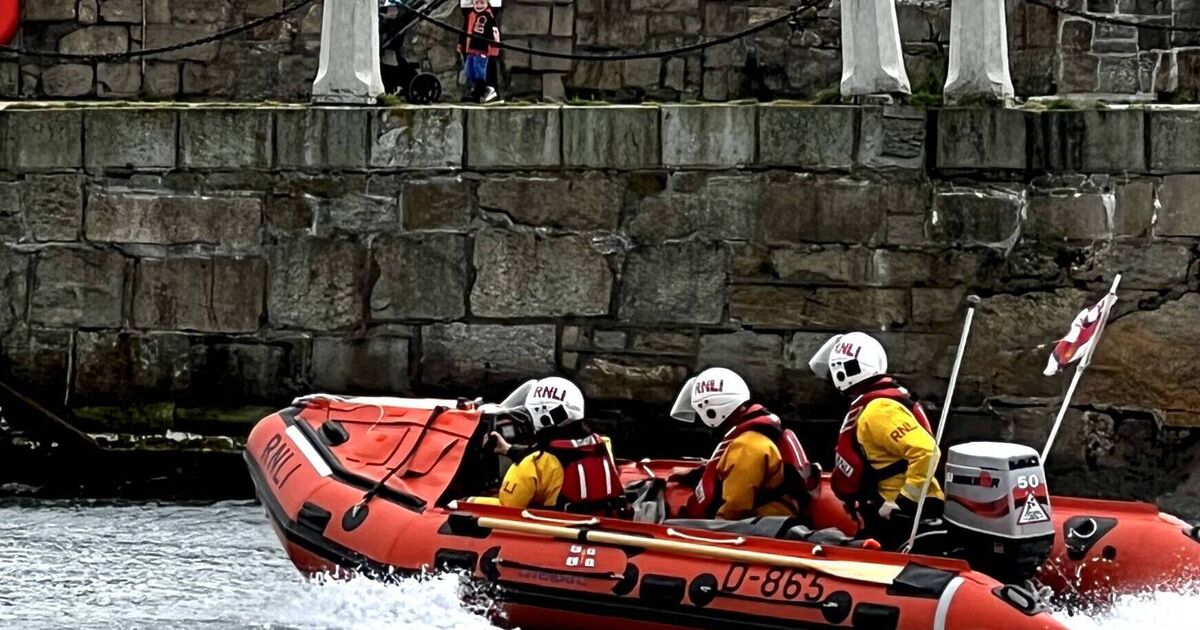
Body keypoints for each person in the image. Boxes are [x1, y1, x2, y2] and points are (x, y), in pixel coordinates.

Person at [809, 332, 944, 549]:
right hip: (886, 510)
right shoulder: (876, 405)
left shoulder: (879, 410)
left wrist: (903, 502)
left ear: (843, 370)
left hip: (900, 516)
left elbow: (927, 451)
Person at [670, 367, 818, 521]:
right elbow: (730, 472)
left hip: (761, 525)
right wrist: (696, 475)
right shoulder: (752, 436)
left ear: (712, 410)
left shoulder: (746, 447)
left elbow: (734, 509)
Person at [486, 376, 627, 516]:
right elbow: (565, 452)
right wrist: (509, 450)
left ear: (542, 416)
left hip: (559, 527)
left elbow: (507, 507)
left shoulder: (533, 463)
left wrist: (472, 500)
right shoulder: (603, 445)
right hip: (605, 523)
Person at [458, 0, 500, 103]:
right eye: (476, 3)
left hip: (482, 50)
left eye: (482, 3)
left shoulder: (489, 17)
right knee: (469, 71)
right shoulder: (471, 15)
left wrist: (493, 46)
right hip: (471, 49)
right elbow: (464, 31)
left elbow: (494, 34)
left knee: (480, 71)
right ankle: (478, 91)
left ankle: (481, 92)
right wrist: (461, 43)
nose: (479, 5)